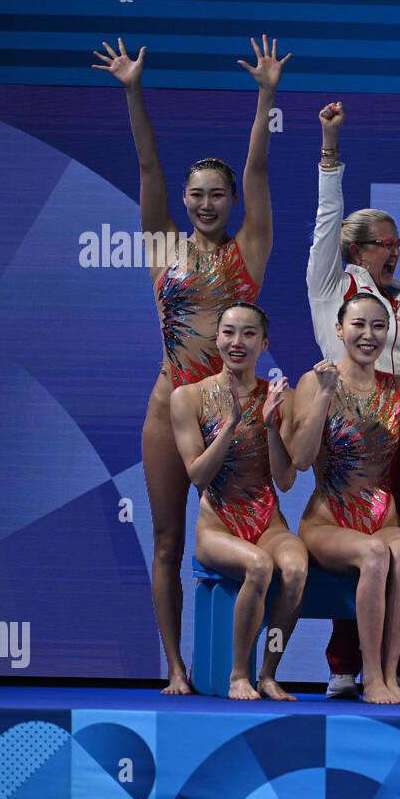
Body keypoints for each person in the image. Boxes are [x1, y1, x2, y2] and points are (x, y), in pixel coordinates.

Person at [93, 35, 288, 694]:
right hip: (171, 406)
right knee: (169, 541)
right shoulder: (164, 247)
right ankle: (174, 668)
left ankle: (257, 668)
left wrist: (266, 96)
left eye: (217, 195)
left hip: (234, 414)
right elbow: (148, 168)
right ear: (185, 199)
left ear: (231, 202)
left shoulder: (249, 250)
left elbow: (258, 170)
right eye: (196, 195)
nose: (206, 204)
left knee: (265, 545)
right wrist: (132, 89)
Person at [305, 99, 400, 699]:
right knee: (355, 544)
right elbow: (325, 221)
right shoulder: (333, 285)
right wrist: (330, 149)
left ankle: (393, 668)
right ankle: (343, 665)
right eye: (386, 243)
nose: (396, 251)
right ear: (357, 250)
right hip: (347, 427)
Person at [290, 294, 400, 705]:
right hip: (328, 521)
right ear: (340, 330)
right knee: (375, 555)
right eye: (358, 325)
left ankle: (391, 675)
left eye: (378, 325)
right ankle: (369, 676)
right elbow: (301, 460)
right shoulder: (313, 381)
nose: (368, 334)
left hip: (382, 517)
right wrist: (323, 396)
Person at [169, 303, 305, 701]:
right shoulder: (188, 398)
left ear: (264, 344)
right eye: (229, 332)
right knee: (259, 566)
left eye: (248, 334)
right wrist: (230, 423)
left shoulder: (280, 397)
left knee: (295, 570)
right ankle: (238, 674)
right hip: (217, 525)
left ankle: (269, 672)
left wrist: (269, 425)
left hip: (267, 520)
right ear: (217, 340)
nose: (237, 342)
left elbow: (285, 480)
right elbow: (198, 476)